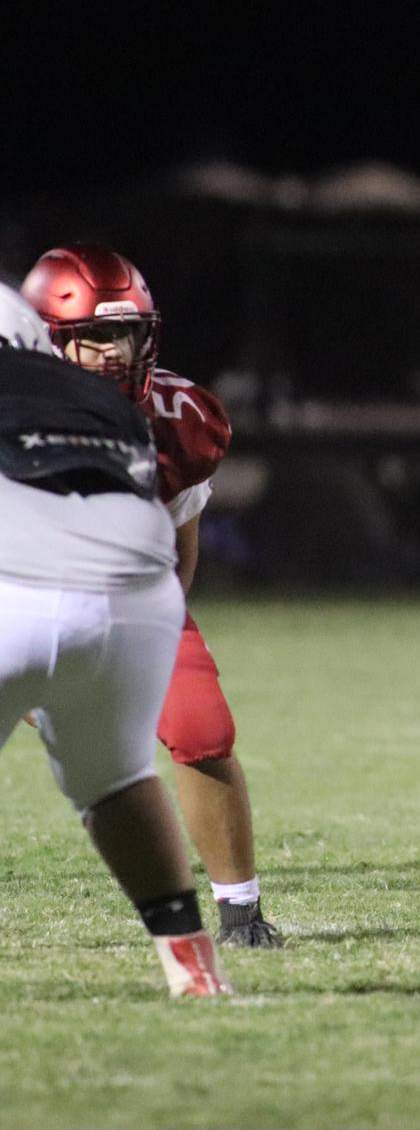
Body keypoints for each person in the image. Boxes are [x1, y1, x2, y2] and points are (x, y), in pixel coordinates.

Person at [23, 244, 282, 946]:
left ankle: (240, 912)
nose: (114, 351)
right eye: (95, 336)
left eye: (126, 332)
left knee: (201, 727)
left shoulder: (176, 416)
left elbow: (178, 547)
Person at [0, 285, 229, 996]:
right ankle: (191, 963)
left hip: (17, 579)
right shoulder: (106, 401)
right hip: (137, 597)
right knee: (119, 780)